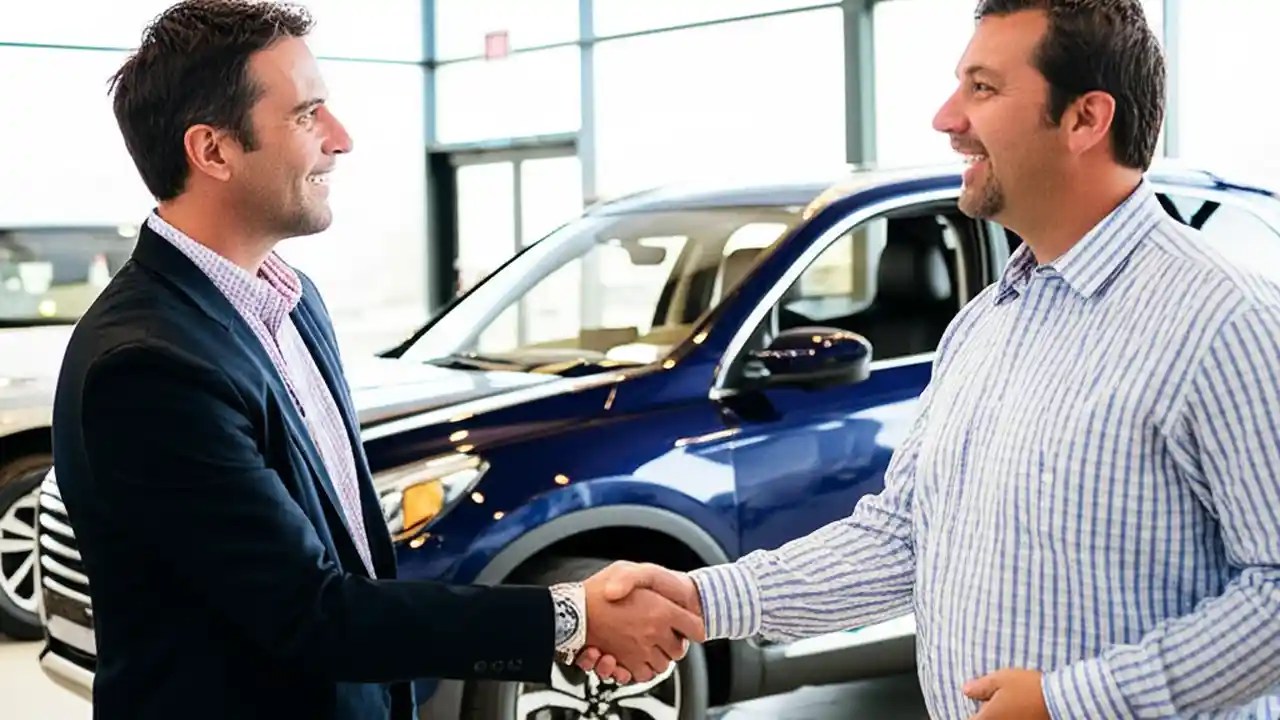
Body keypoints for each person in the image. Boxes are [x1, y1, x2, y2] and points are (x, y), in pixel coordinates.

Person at [579, 1, 1280, 718]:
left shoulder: (1224, 323)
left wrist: (1075, 702)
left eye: (983, 87)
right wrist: (701, 597)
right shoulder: (984, 325)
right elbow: (903, 536)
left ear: (1085, 120)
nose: (947, 118)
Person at [49, 2, 700, 719]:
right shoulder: (146, 368)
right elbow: (312, 614)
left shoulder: (293, 302)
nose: (342, 139)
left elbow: (349, 560)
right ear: (212, 151)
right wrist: (569, 618)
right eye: (307, 115)